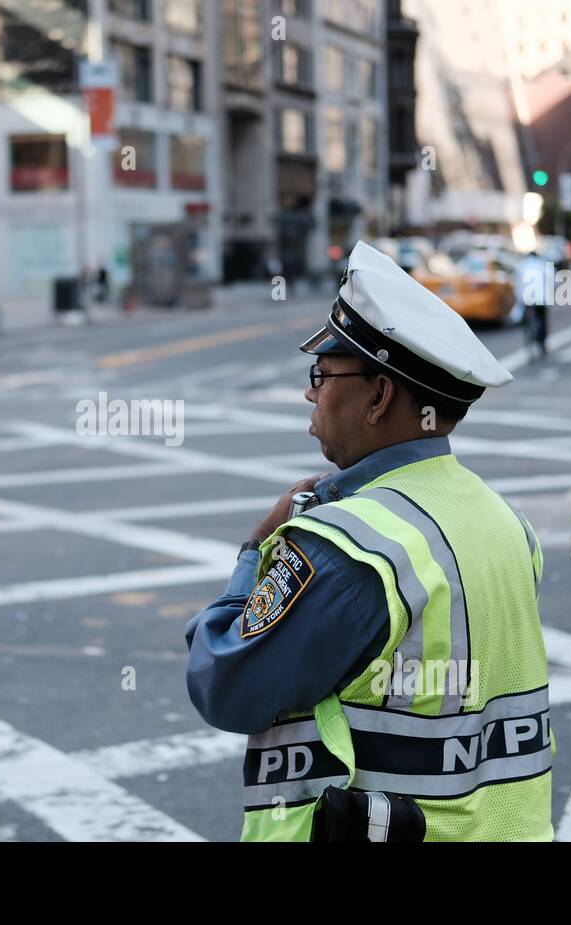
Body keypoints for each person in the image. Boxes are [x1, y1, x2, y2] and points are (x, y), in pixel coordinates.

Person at [184, 241, 552, 842]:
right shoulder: (508, 523)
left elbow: (223, 687)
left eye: (323, 375)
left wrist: (257, 548)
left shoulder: (347, 549)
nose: (311, 393)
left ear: (379, 397)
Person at [514, 247, 552, 359]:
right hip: (541, 298)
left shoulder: (522, 265)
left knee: (527, 319)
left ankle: (530, 334)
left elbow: (518, 284)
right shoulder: (543, 264)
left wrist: (519, 299)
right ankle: (542, 341)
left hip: (526, 298)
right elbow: (552, 280)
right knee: (542, 319)